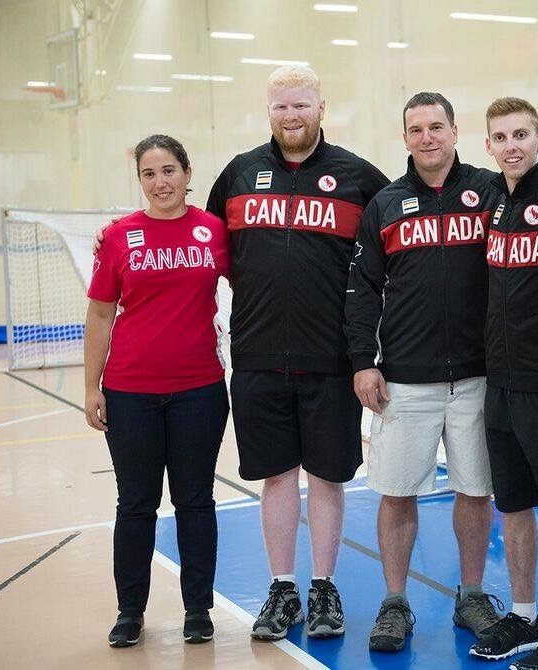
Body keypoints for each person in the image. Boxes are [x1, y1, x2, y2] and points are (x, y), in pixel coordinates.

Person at [204, 65, 390, 640]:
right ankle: (283, 587)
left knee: (329, 478)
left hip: (333, 360)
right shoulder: (238, 174)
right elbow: (200, 240)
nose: (292, 116)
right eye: (282, 106)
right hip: (258, 357)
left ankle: (324, 588)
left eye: (301, 105)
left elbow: (397, 251)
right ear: (269, 110)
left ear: (321, 107)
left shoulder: (360, 178)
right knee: (278, 478)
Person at [345, 92, 502, 652]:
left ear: (456, 131)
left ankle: (473, 593)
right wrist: (364, 363)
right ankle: (394, 602)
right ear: (405, 138)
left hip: (480, 375)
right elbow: (361, 291)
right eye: (416, 129)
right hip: (405, 380)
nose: (427, 137)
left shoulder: (489, 191)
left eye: (437, 127)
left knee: (475, 490)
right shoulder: (385, 205)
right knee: (396, 492)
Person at [85, 135, 229, 648]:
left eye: (169, 170)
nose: (160, 182)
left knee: (195, 502)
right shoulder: (120, 237)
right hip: (129, 393)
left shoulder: (213, 231)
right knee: (136, 504)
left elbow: (259, 281)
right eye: (149, 174)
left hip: (200, 391)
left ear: (188, 174)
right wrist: (91, 388)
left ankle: (198, 611)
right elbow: (100, 314)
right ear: (140, 181)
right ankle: (130, 612)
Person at [467, 97, 538, 670]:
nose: (511, 145)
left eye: (521, 134)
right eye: (500, 137)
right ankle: (524, 612)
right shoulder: (489, 202)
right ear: (488, 146)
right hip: (500, 381)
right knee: (512, 503)